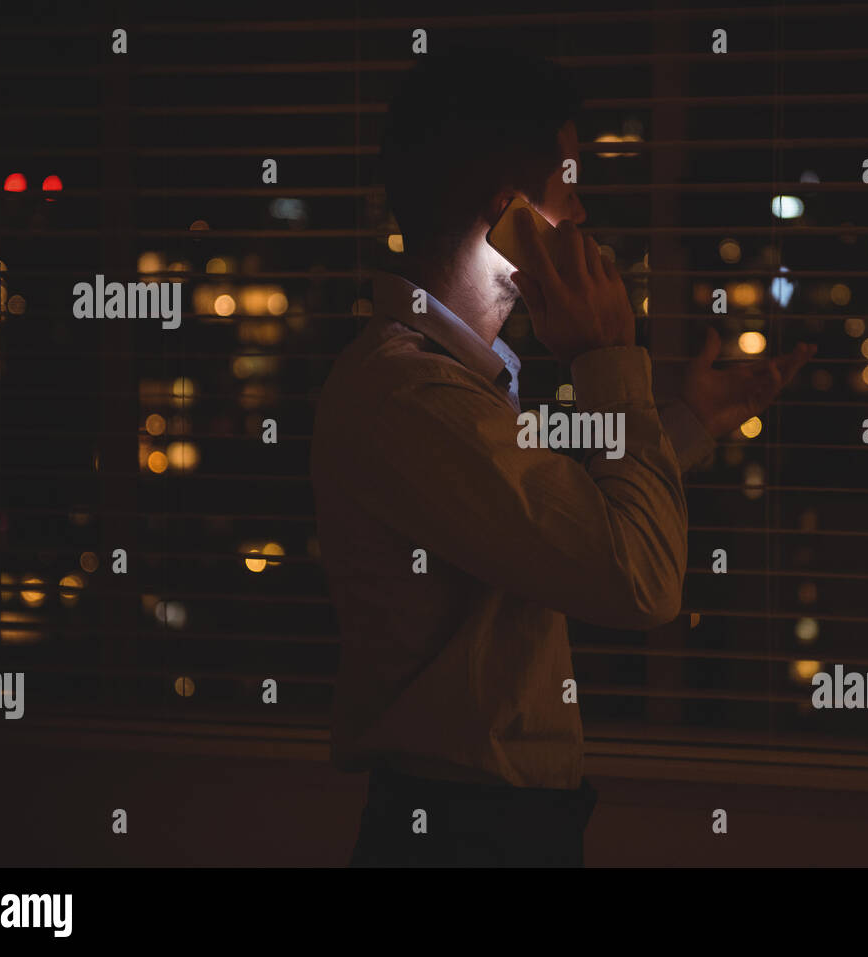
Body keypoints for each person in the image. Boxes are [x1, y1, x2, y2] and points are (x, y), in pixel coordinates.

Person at [310, 46, 815, 867]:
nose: (579, 217)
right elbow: (642, 582)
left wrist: (685, 425)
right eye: (569, 188)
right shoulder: (413, 396)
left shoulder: (447, 383)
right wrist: (610, 354)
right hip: (463, 835)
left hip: (486, 823)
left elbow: (552, 524)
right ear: (510, 214)